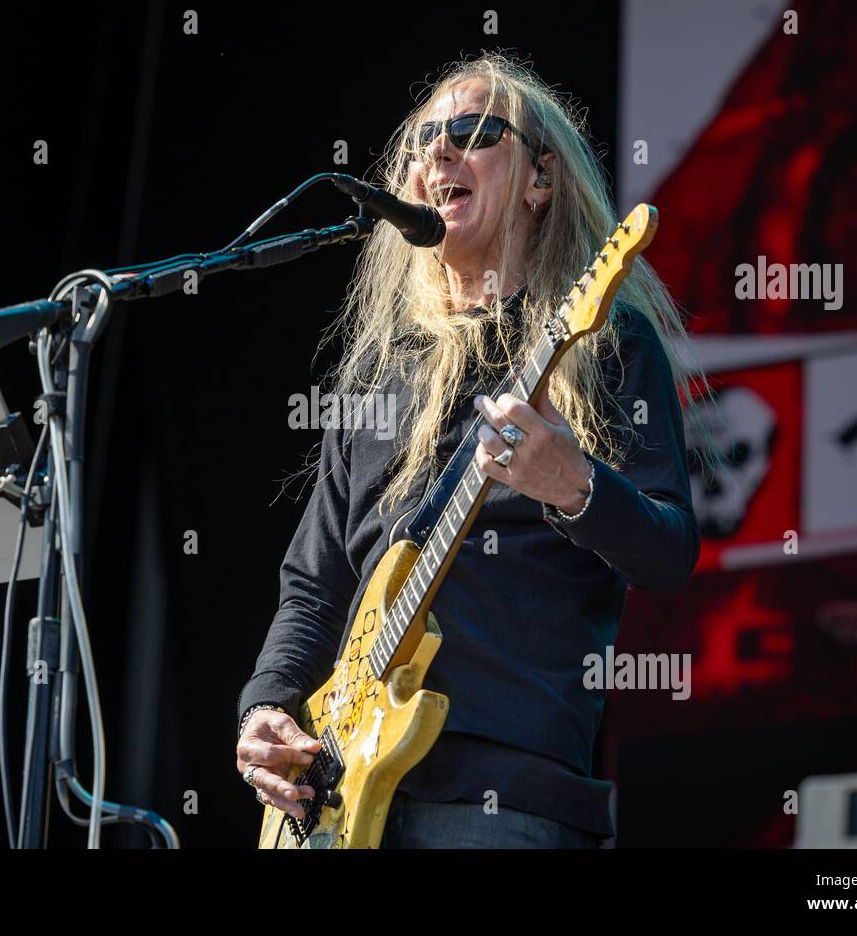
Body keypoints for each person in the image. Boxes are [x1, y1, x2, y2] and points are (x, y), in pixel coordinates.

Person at [235, 51, 706, 848]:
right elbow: (314, 588)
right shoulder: (382, 376)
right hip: (337, 805)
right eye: (423, 142)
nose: (437, 154)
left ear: (540, 179)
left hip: (504, 799)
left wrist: (575, 486)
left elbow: (668, 551)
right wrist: (268, 708)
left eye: (474, 133)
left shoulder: (604, 345)